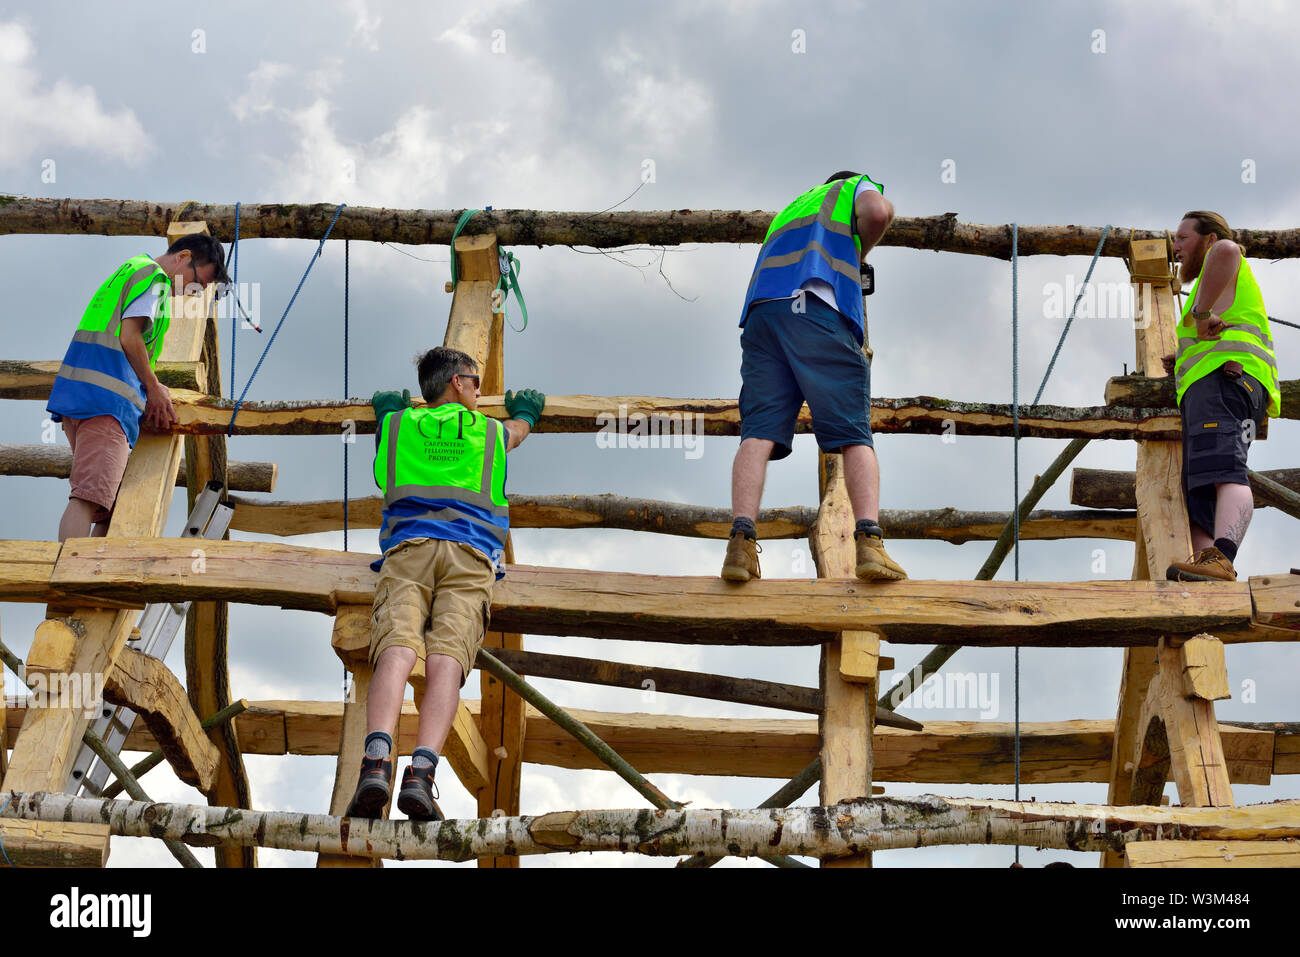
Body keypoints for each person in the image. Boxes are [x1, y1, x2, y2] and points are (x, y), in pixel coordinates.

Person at [346, 347, 545, 820]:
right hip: (470, 557)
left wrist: (388, 411)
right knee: (448, 660)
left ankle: (376, 762)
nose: (479, 390)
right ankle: (421, 773)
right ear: (457, 382)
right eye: (475, 382)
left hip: (409, 552)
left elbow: (387, 430)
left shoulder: (396, 428)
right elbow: (515, 433)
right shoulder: (489, 432)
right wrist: (527, 414)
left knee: (395, 649)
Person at [721, 170, 906, 583]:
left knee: (758, 432)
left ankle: (740, 544)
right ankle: (870, 543)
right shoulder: (853, 186)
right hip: (815, 304)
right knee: (854, 432)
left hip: (762, 316)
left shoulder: (792, 207)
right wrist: (860, 256)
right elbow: (877, 213)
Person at [46, 235, 229, 540]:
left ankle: (89, 571)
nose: (194, 292)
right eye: (199, 282)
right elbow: (130, 337)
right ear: (183, 257)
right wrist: (155, 388)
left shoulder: (130, 269)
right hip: (107, 403)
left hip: (80, 396)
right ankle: (71, 570)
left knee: (110, 504)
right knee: (88, 497)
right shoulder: (154, 279)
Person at [1163, 210, 1280, 582]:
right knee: (1199, 491)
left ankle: (1221, 558)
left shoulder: (1223, 259)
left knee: (1226, 471)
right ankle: (1206, 568)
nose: (1175, 247)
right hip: (1211, 386)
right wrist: (1182, 357)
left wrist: (1199, 315)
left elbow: (1229, 249)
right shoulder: (1208, 290)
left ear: (1208, 239)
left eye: (1183, 238)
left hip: (1227, 380)